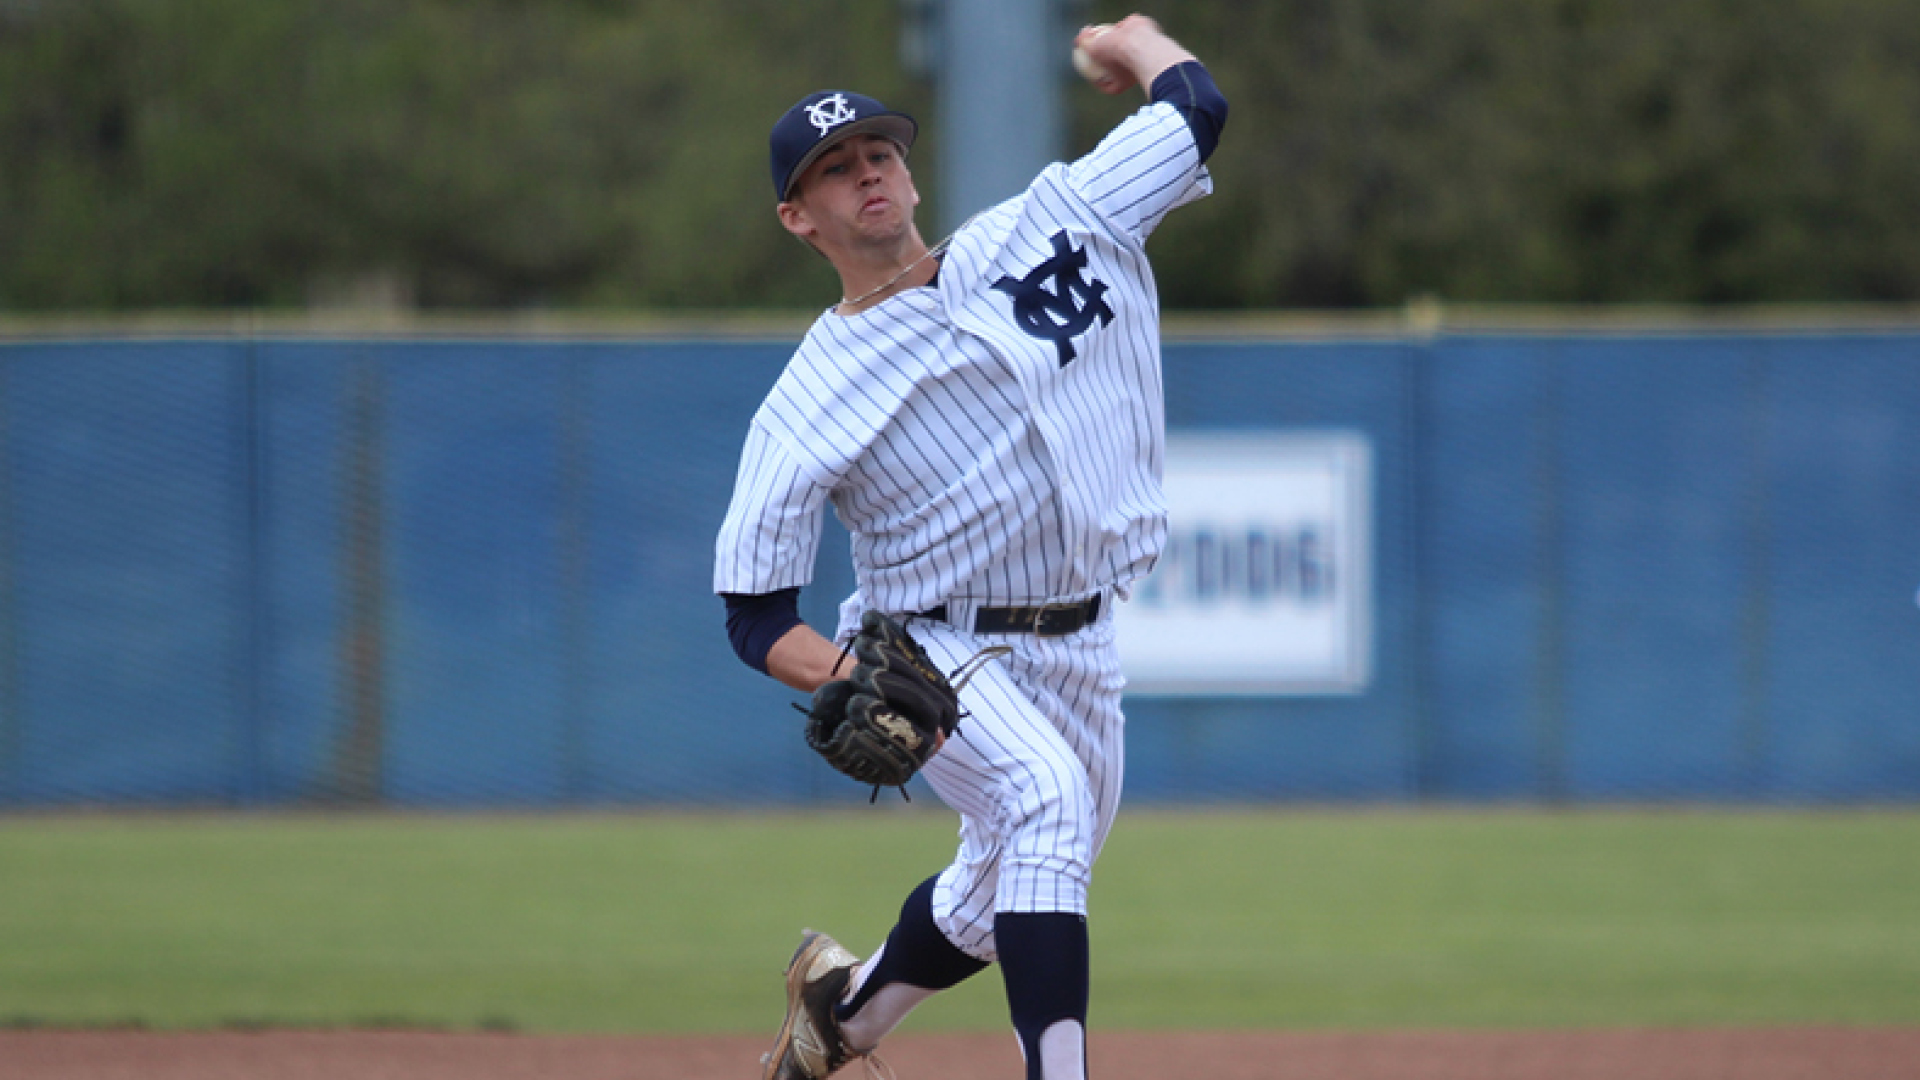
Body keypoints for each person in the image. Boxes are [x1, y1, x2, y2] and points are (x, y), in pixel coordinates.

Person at [713, 15, 1226, 1080]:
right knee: (1039, 803)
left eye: (877, 153)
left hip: (1085, 640)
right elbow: (755, 615)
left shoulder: (1048, 224)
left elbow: (1193, 114)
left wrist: (1134, 38)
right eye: (833, 172)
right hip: (944, 650)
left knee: (1013, 883)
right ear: (797, 218)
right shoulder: (809, 400)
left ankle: (838, 1019)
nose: (866, 177)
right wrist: (854, 676)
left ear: (907, 167)